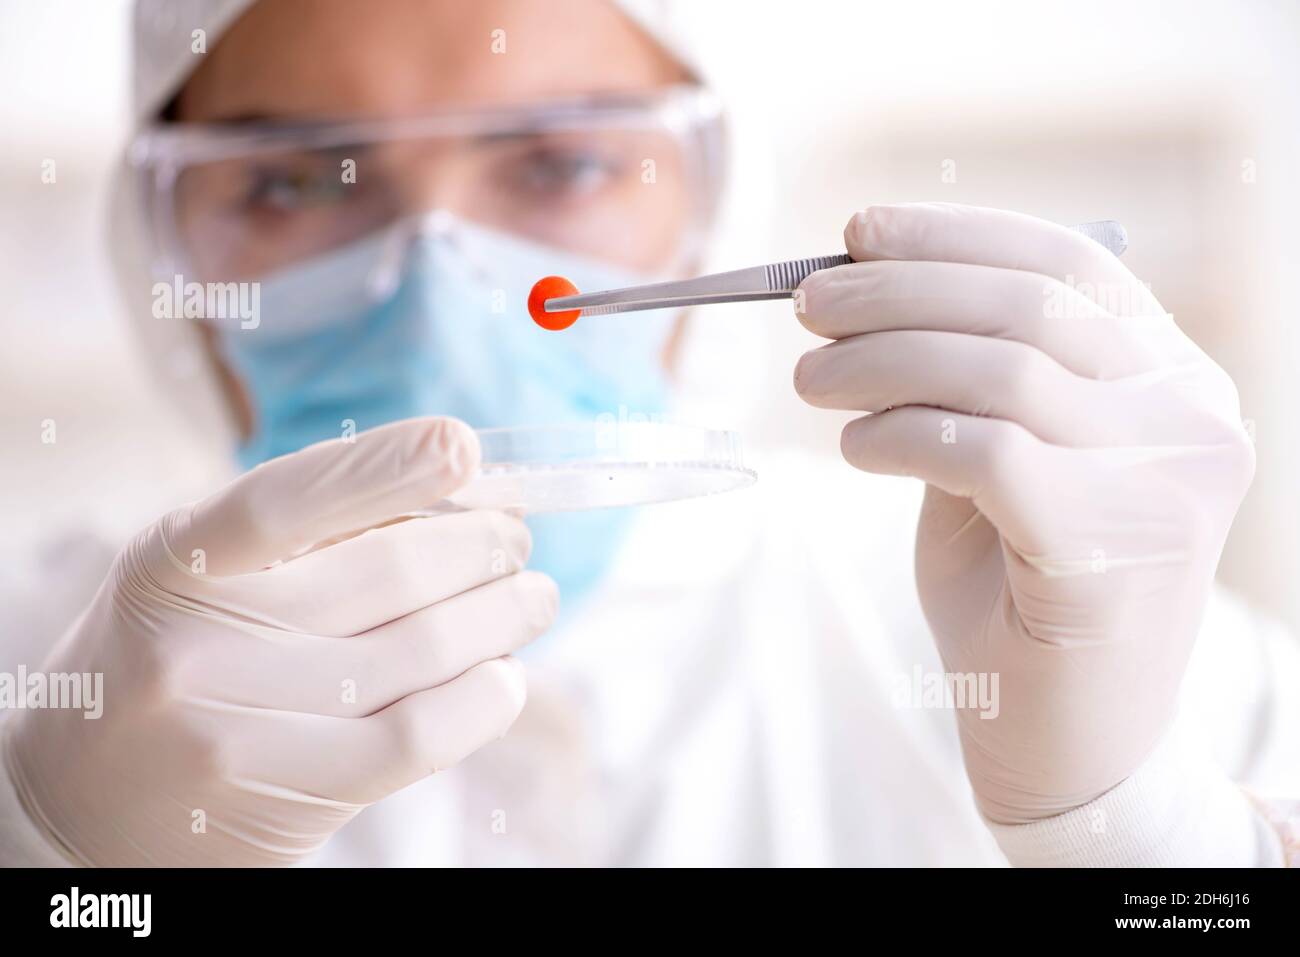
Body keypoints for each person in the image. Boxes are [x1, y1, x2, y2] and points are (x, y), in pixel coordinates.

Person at [1, 0, 1297, 867]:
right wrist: (61, 855)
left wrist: (1134, 822)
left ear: (721, 199)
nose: (440, 287)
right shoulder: (40, 689)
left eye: (561, 164)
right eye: (289, 182)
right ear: (153, 243)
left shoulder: (1075, 635)